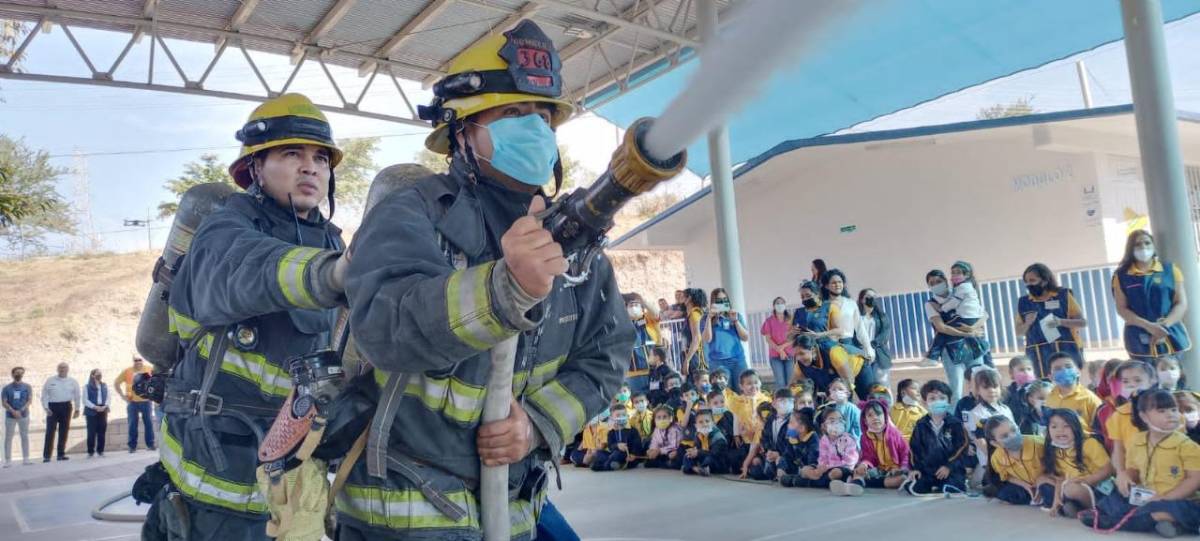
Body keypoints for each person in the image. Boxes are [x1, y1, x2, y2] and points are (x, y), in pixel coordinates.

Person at [340, 21, 631, 541]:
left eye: (544, 116)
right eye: (514, 114)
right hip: (405, 519)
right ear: (462, 132)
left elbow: (608, 354)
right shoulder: (412, 214)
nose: (536, 129)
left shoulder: (569, 238)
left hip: (514, 509)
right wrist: (503, 289)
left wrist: (536, 424)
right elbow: (384, 324)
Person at [141, 93, 350, 541]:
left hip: (278, 498)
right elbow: (244, 267)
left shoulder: (333, 244)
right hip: (209, 493)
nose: (310, 167)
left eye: (320, 158)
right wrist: (328, 273)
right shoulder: (227, 227)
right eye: (291, 153)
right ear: (254, 167)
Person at [1082, 390, 1200, 537]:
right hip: (1147, 496)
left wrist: (1166, 497)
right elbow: (1134, 470)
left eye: (1174, 409)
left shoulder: (1188, 446)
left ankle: (1120, 522)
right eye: (1162, 411)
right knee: (1114, 496)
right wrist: (1126, 476)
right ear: (1144, 416)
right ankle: (1168, 525)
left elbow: (1194, 479)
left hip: (1178, 500)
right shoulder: (1137, 441)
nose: (1171, 414)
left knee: (1165, 511)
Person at [1112, 230, 1191, 363]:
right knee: (1144, 378)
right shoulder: (1121, 276)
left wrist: (1163, 327)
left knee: (1173, 376)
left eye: (1147, 243)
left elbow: (1181, 303)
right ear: (1131, 249)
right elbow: (1122, 309)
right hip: (1138, 336)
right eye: (1138, 244)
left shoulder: (1171, 270)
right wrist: (1149, 326)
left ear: (1154, 246)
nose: (1143, 247)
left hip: (1170, 333)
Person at [792, 282, 868, 396]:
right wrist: (793, 333)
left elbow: (840, 330)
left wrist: (819, 335)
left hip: (832, 351)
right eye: (802, 296)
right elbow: (794, 386)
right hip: (809, 350)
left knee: (864, 397)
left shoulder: (829, 307)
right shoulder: (799, 312)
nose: (804, 299)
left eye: (808, 295)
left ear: (817, 294)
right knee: (825, 394)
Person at [922, 269, 987, 401]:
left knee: (980, 384)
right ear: (929, 287)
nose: (936, 284)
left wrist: (972, 328)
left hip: (972, 346)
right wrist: (967, 333)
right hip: (950, 350)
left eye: (939, 281)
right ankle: (955, 421)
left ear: (946, 281)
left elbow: (983, 314)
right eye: (932, 283)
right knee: (955, 391)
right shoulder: (930, 304)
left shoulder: (961, 292)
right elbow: (941, 327)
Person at [1017, 263, 1088, 378]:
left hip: (1067, 349)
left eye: (1032, 280)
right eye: (1026, 281)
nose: (1029, 284)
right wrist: (1027, 323)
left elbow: (1082, 322)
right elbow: (1018, 332)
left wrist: (1061, 322)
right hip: (1038, 355)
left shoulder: (1063, 295)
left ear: (1044, 280)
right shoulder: (1024, 302)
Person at [1042, 409, 1114, 518]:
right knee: (1046, 484)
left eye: (1066, 426)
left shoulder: (1089, 443)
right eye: (1054, 427)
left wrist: (1087, 481)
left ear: (1076, 427)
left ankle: (1097, 511)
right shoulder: (1056, 449)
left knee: (1071, 489)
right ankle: (1078, 508)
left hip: (1101, 487)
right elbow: (1060, 478)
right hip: (1076, 488)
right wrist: (1056, 499)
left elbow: (1109, 468)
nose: (1060, 430)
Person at [904, 380, 970, 496]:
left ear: (949, 401)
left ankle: (945, 484)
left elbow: (962, 448)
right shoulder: (920, 425)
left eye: (942, 398)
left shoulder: (956, 424)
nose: (937, 402)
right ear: (925, 402)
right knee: (913, 486)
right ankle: (932, 484)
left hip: (950, 471)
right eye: (932, 399)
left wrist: (949, 467)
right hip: (927, 470)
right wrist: (916, 468)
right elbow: (914, 449)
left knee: (951, 487)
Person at [821, 270, 876, 398]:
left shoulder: (850, 303)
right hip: (831, 350)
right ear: (826, 286)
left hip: (850, 347)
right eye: (833, 282)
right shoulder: (822, 305)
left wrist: (868, 347)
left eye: (840, 282)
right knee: (843, 396)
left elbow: (860, 328)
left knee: (868, 393)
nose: (837, 285)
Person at [844, 399, 910, 493]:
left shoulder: (895, 434)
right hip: (878, 470)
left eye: (878, 414)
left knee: (901, 478)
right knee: (859, 471)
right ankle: (857, 483)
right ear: (865, 421)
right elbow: (869, 457)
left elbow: (906, 453)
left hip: (895, 470)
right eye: (870, 415)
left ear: (885, 417)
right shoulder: (865, 437)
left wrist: (903, 468)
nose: (875, 418)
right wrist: (864, 464)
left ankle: (861, 483)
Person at [984, 416, 1050, 506]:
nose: (1013, 436)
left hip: (1047, 481)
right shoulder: (997, 458)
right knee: (1006, 493)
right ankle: (1034, 498)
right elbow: (1007, 477)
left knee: (1048, 490)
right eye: (1005, 436)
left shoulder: (1039, 444)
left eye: (1013, 430)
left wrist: (1042, 480)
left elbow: (1056, 468)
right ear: (995, 443)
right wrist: (1025, 485)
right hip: (1025, 485)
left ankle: (1041, 498)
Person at [740, 388, 793, 480]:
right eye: (782, 401)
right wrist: (768, 451)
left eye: (789, 401)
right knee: (756, 470)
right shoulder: (770, 420)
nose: (786, 403)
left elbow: (792, 442)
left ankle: (782, 474)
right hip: (771, 454)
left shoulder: (794, 420)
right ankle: (773, 472)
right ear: (774, 404)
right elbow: (765, 438)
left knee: (781, 463)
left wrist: (779, 454)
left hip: (787, 456)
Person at [706, 288, 750, 392]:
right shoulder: (708, 318)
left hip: (738, 360)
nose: (722, 303)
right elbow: (707, 339)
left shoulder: (736, 315)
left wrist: (735, 321)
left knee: (742, 391)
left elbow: (745, 337)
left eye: (724, 300)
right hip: (717, 362)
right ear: (713, 302)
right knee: (724, 393)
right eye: (719, 300)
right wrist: (709, 318)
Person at [1045, 352, 1102, 426]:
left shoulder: (1089, 398)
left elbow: (1101, 428)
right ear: (1050, 376)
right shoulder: (1049, 397)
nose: (1064, 370)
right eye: (1057, 369)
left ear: (1078, 371)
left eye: (1068, 367)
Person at [113, 355, 155, 453]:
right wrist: (122, 396)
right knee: (132, 424)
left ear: (142, 360)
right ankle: (132, 446)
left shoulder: (149, 369)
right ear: (133, 361)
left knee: (148, 423)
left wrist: (154, 395)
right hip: (132, 402)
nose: (138, 362)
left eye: (140, 360)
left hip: (146, 401)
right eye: (136, 360)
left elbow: (157, 382)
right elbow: (116, 383)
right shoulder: (127, 371)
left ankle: (150, 444)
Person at [812, 407, 859, 491]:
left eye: (840, 420)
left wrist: (831, 467)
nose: (837, 423)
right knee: (809, 471)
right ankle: (835, 483)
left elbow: (850, 461)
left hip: (845, 469)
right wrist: (822, 467)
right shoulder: (824, 440)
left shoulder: (848, 439)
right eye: (832, 421)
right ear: (823, 426)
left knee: (836, 473)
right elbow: (823, 458)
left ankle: (845, 482)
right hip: (828, 470)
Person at [41, 362, 80, 462]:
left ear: (68, 369)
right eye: (60, 368)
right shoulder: (50, 380)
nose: (62, 369)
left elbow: (77, 396)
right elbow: (44, 395)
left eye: (64, 367)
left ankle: (61, 454)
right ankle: (47, 456)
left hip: (66, 407)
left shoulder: (72, 381)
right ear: (57, 369)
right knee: (50, 431)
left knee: (64, 431)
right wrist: (46, 408)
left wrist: (77, 409)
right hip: (52, 407)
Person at [625, 292, 662, 395]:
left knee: (655, 397)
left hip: (653, 370)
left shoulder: (648, 319)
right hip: (631, 373)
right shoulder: (622, 322)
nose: (633, 307)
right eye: (630, 305)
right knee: (637, 399)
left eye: (636, 305)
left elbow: (656, 313)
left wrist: (642, 300)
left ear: (642, 307)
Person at [778, 408, 823, 488]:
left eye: (791, 423)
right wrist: (781, 468)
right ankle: (795, 479)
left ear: (802, 428)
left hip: (812, 470)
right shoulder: (792, 439)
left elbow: (814, 458)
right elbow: (787, 456)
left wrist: (810, 467)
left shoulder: (813, 439)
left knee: (806, 473)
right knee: (783, 474)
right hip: (798, 470)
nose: (788, 426)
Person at [593, 404, 643, 471]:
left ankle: (606, 466)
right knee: (599, 452)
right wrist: (617, 445)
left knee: (618, 454)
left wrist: (633, 454)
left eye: (623, 415)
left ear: (627, 415)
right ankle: (615, 464)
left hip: (628, 457)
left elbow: (637, 444)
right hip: (614, 454)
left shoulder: (632, 430)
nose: (621, 417)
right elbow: (610, 446)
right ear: (612, 417)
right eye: (618, 415)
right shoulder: (611, 432)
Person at [858, 288, 893, 384]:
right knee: (868, 385)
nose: (871, 299)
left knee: (882, 384)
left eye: (874, 297)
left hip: (879, 354)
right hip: (862, 354)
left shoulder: (882, 316)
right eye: (868, 296)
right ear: (862, 299)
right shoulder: (857, 316)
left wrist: (873, 344)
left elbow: (885, 334)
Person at [681, 409, 728, 476]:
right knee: (687, 455)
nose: (705, 424)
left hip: (718, 462)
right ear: (696, 425)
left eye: (707, 421)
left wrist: (698, 452)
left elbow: (714, 454)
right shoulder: (698, 434)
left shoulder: (718, 438)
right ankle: (697, 469)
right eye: (701, 422)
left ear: (713, 423)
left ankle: (697, 468)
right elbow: (697, 449)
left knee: (709, 458)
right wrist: (693, 452)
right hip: (703, 457)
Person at [3, 366, 33, 467]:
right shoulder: (6, 388)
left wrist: (21, 410)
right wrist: (13, 411)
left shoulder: (27, 387)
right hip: (10, 416)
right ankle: (8, 460)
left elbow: (29, 400)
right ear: (12, 374)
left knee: (24, 436)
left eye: (21, 373)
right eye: (17, 373)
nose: (19, 374)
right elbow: (4, 402)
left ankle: (26, 459)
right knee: (8, 437)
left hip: (23, 415)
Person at [762, 297, 794, 388]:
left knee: (790, 381)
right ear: (774, 306)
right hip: (775, 356)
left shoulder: (791, 319)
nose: (780, 305)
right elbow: (768, 339)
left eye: (782, 303)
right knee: (780, 382)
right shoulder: (769, 321)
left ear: (785, 305)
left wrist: (782, 347)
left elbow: (795, 337)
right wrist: (780, 350)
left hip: (790, 355)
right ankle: (781, 400)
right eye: (777, 303)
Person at [681, 288, 712, 378]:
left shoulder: (694, 313)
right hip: (696, 354)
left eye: (682, 296)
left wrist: (687, 360)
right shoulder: (695, 313)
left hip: (697, 356)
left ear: (689, 298)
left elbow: (696, 338)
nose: (680, 298)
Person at [83, 368, 110, 458]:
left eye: (100, 374)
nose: (99, 375)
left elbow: (108, 397)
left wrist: (104, 406)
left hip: (103, 410)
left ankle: (100, 451)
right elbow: (85, 400)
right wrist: (95, 407)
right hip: (91, 411)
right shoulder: (86, 387)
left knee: (102, 431)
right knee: (91, 432)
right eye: (97, 374)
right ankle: (90, 452)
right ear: (92, 375)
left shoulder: (104, 385)